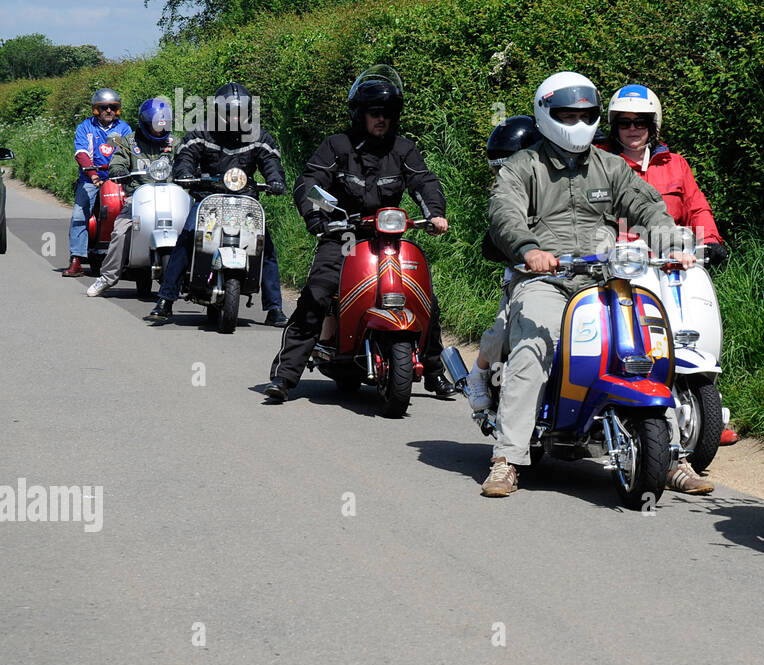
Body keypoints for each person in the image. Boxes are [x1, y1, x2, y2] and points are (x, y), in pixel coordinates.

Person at [480, 71, 692, 497]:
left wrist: (672, 241)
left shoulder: (609, 166)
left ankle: (668, 453)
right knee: (533, 347)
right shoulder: (524, 167)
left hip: (606, 278)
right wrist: (528, 249)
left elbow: (645, 204)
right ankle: (507, 457)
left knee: (650, 347)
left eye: (586, 114)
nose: (578, 123)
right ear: (546, 114)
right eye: (567, 114)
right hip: (545, 278)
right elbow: (505, 214)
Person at [265, 65, 452, 402]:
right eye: (374, 113)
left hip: (388, 240)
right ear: (360, 114)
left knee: (424, 296)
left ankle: (435, 372)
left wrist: (435, 214)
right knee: (319, 292)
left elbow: (424, 181)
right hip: (345, 235)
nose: (381, 120)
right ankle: (285, 375)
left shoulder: (403, 149)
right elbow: (309, 184)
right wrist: (318, 218)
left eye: (387, 114)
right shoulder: (337, 146)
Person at [604, 82, 731, 492]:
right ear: (613, 126)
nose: (632, 129)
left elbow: (696, 205)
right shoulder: (602, 162)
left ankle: (689, 421)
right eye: (624, 122)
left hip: (676, 263)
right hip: (624, 267)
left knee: (684, 333)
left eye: (640, 122)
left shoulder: (674, 164)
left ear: (653, 124)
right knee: (646, 349)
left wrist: (709, 240)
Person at [144, 82, 289, 326]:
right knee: (187, 238)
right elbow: (186, 155)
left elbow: (271, 160)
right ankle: (165, 301)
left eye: (240, 111)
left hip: (245, 201)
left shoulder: (258, 135)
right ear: (219, 111)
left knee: (265, 246)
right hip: (208, 199)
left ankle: (274, 308)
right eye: (231, 111)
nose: (235, 116)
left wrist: (275, 181)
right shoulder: (201, 132)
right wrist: (186, 174)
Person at [464, 115, 542, 412]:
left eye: (508, 166)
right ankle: (480, 373)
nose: (502, 174)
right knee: (504, 328)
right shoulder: (505, 195)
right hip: (521, 275)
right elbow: (495, 237)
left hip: (570, 273)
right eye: (498, 168)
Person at [85, 98, 176, 297]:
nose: (159, 132)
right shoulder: (129, 142)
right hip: (138, 198)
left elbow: (186, 160)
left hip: (171, 199)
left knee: (193, 229)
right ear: (144, 123)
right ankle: (107, 277)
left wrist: (189, 171)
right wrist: (117, 170)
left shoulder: (173, 143)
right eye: (154, 127)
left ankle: (199, 278)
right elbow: (117, 161)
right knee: (121, 231)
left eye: (163, 127)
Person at [64, 88, 132, 277]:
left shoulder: (124, 129)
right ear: (96, 109)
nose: (109, 111)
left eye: (113, 107)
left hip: (119, 178)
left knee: (135, 210)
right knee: (80, 213)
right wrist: (92, 174)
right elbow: (82, 153)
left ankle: (135, 257)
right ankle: (77, 259)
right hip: (90, 178)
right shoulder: (85, 127)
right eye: (104, 107)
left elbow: (131, 152)